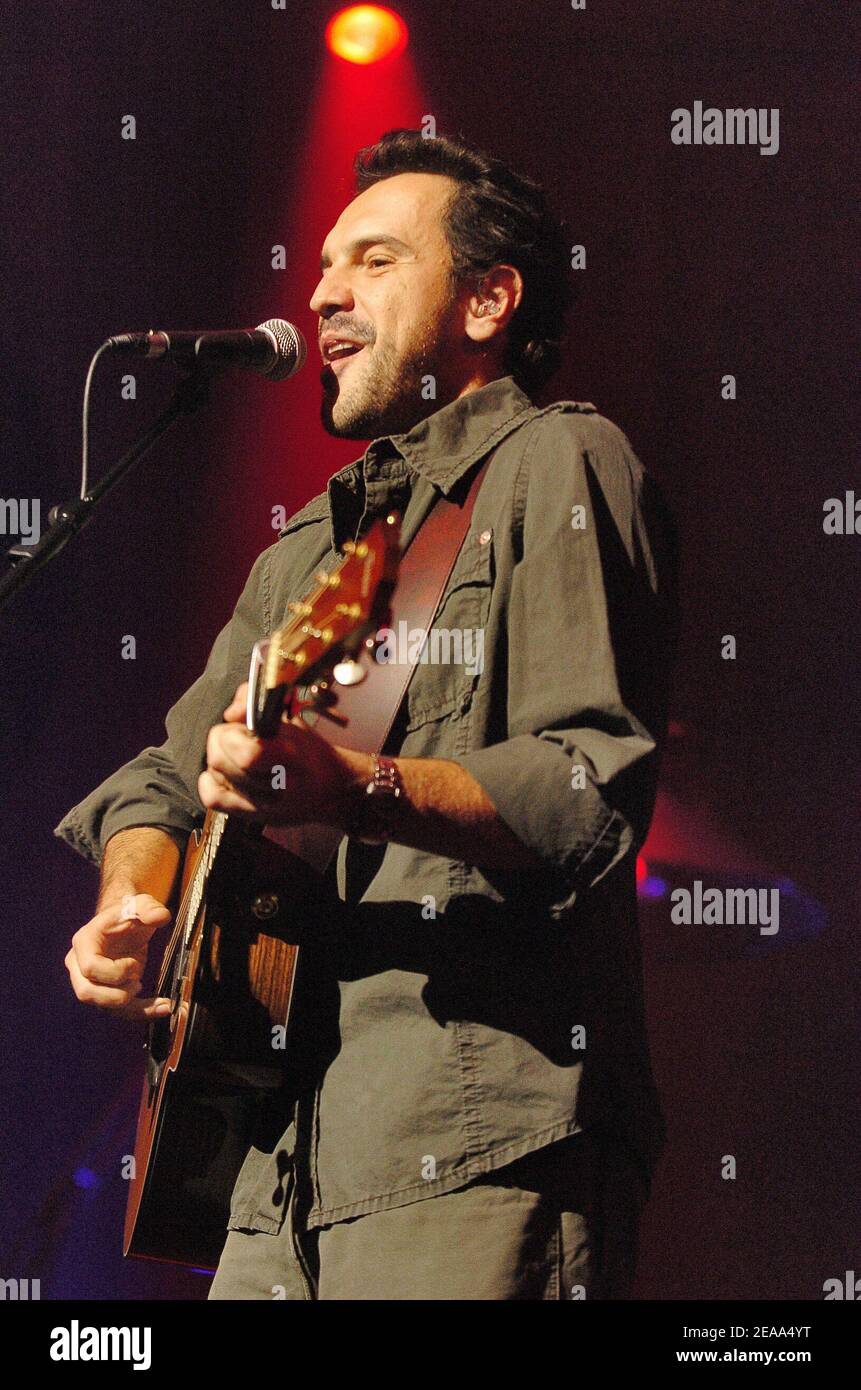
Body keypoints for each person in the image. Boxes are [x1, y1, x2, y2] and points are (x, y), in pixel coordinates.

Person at [58, 128, 679, 1300]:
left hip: (476, 1151)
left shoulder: (562, 462)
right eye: (327, 263)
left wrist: (346, 788)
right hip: (272, 1182)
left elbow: (587, 785)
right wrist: (135, 893)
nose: (323, 291)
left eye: (376, 261)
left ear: (489, 299)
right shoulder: (309, 549)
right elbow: (157, 777)